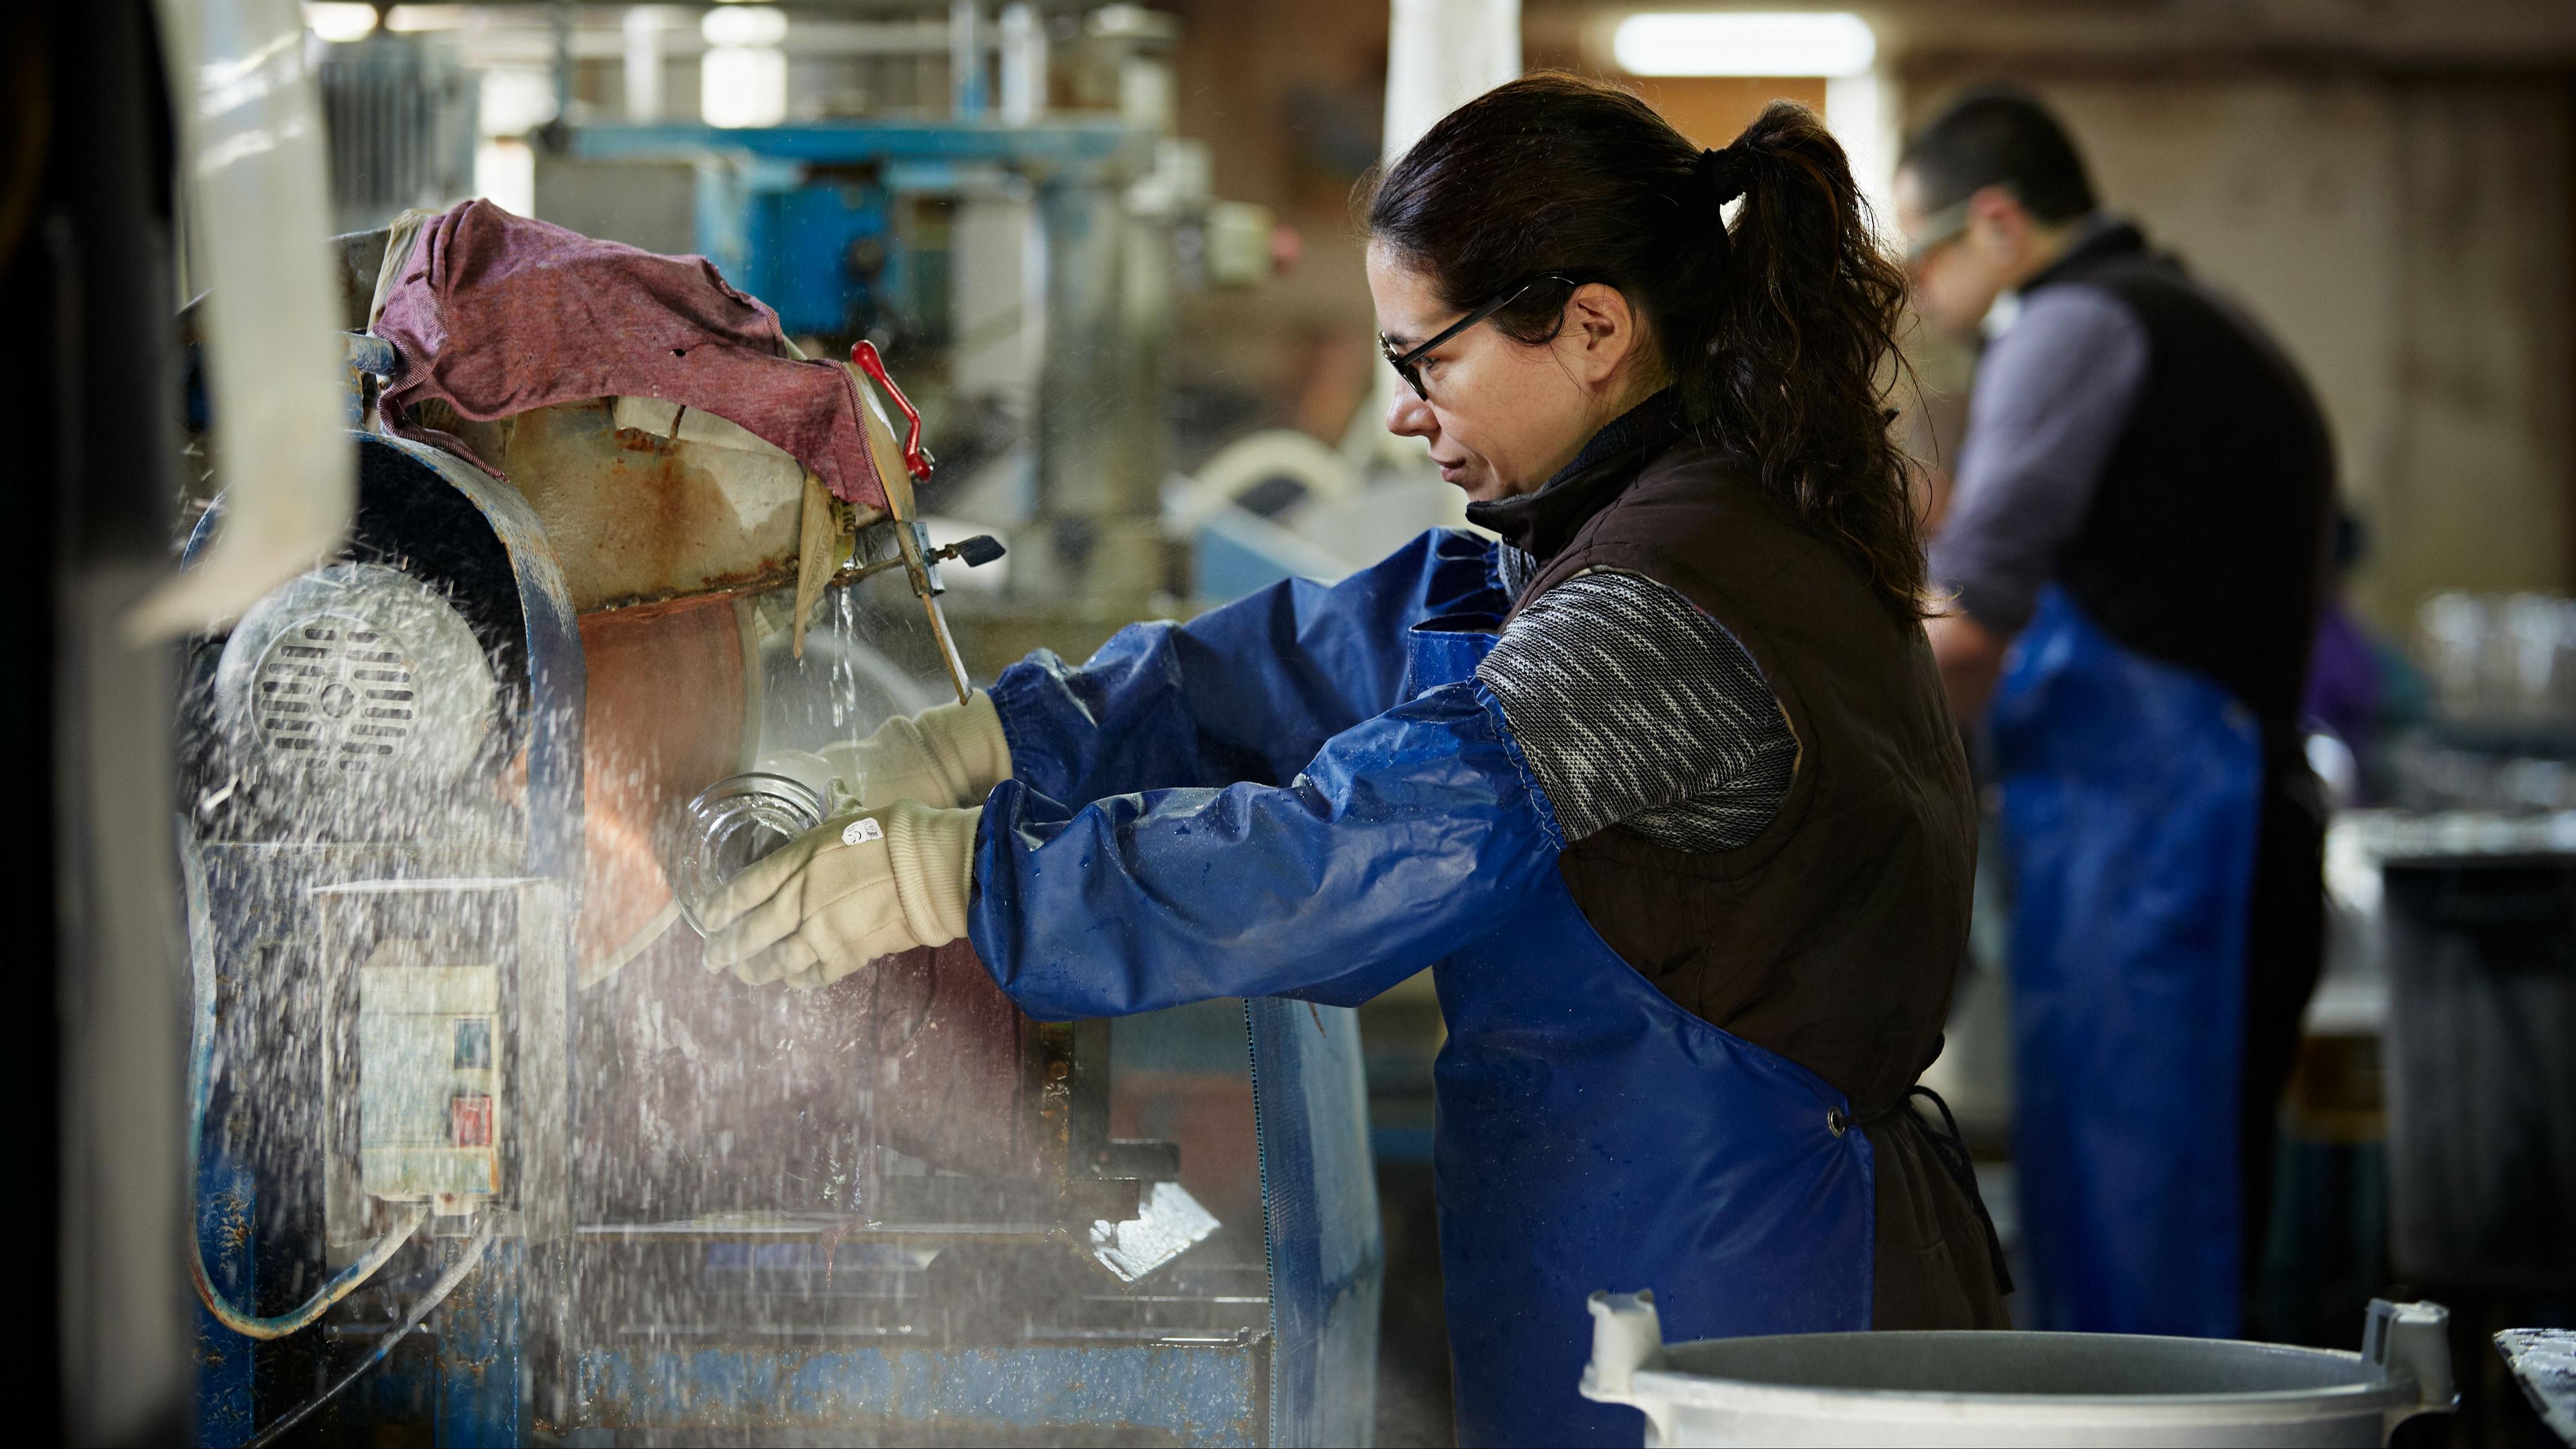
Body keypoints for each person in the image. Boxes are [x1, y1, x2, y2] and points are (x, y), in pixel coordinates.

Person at [705, 75, 2007, 1444]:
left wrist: (958, 881)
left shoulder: (1654, 617)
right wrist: (985, 742)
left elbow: (1350, 853)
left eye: (1424, 361)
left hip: (1748, 1305)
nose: (1402, 413)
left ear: (1590, 329)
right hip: (1642, 1264)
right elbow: (1312, 660)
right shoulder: (1613, 539)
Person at [1894, 87, 2334, 1339]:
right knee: (2117, 1207)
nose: (1919, 295)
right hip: (2150, 838)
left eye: (1922, 256)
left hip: (2162, 851)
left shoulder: (2070, 326)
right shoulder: (2180, 312)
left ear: (1993, 223)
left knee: (2143, 1216)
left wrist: (1789, 699)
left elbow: (1971, 620)